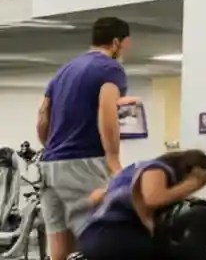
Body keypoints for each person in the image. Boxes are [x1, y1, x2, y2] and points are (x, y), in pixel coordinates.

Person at [37, 17, 132, 260]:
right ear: (116, 43)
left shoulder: (64, 70)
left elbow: (43, 115)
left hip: (48, 165)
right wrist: (113, 159)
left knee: (59, 251)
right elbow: (107, 111)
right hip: (83, 163)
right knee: (102, 244)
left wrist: (50, 148)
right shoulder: (110, 68)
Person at [77, 149, 206, 260]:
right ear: (189, 170)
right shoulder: (157, 168)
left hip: (94, 237)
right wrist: (191, 185)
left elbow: (95, 197)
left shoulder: (135, 170)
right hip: (114, 237)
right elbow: (152, 199)